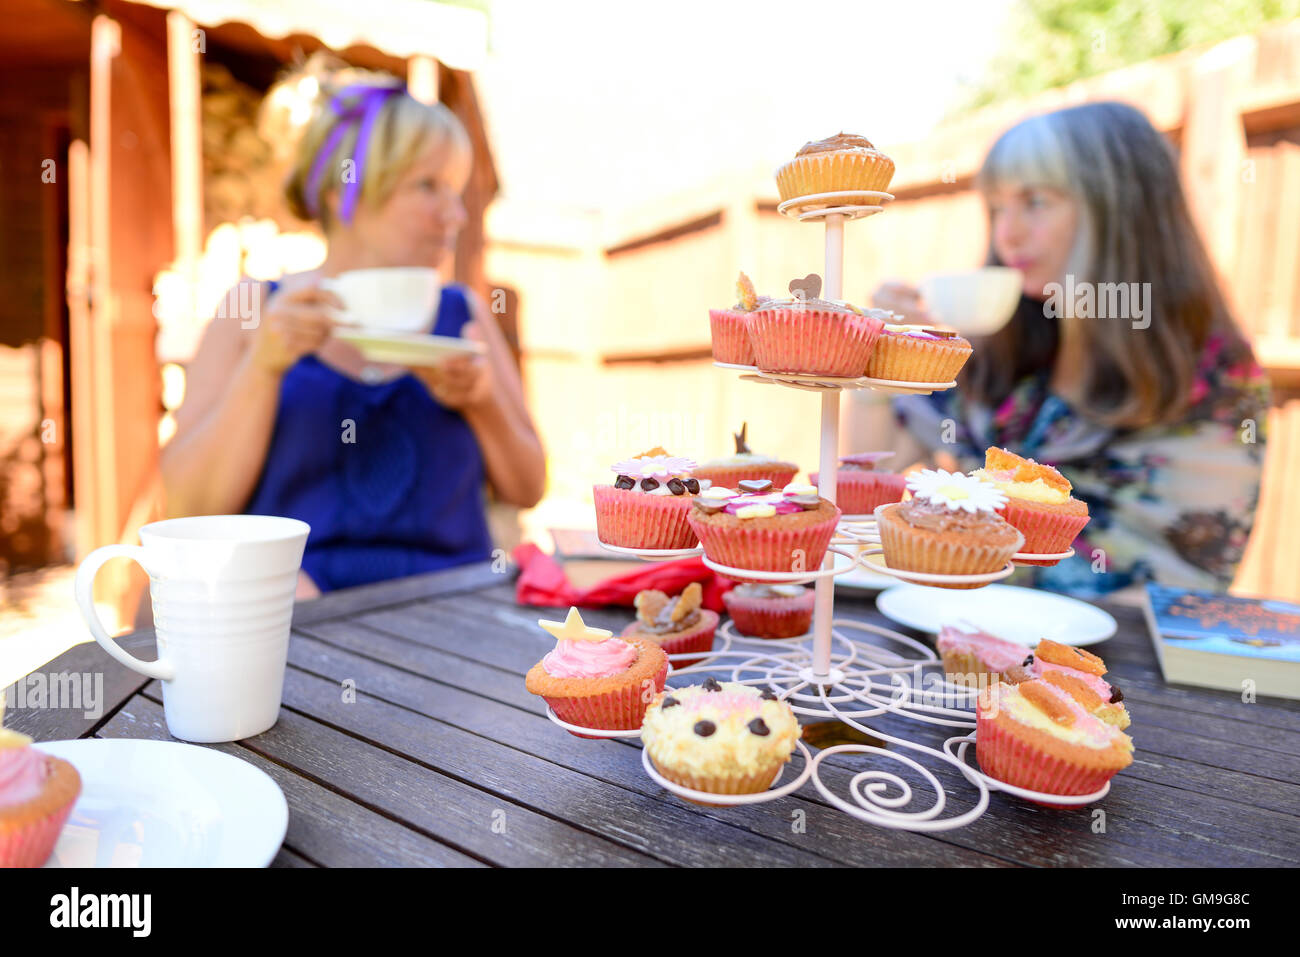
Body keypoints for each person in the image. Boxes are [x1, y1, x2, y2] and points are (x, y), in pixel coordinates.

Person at [161, 62, 545, 597]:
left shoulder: (464, 312)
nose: (454, 215)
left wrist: (481, 402)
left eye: (455, 190)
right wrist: (263, 367)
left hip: (453, 611)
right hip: (300, 615)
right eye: (428, 186)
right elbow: (187, 508)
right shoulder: (254, 310)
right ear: (350, 189)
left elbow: (528, 488)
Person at [873, 101, 1269, 598]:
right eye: (998, 208)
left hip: (1101, 666)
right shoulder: (1011, 345)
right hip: (946, 636)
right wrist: (883, 362)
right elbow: (870, 476)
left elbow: (1181, 591)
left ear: (1122, 210)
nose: (1006, 234)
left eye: (1035, 201)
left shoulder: (1210, 380)